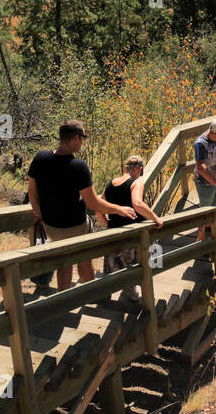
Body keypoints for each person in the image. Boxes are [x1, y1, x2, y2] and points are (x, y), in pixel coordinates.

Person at [27, 120, 137, 291]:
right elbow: (93, 203)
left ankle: (64, 298)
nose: (83, 142)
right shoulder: (78, 167)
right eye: (83, 138)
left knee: (64, 262)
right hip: (75, 226)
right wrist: (118, 209)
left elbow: (32, 191)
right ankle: (91, 293)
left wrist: (39, 213)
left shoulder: (41, 158)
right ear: (76, 138)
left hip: (51, 227)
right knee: (84, 259)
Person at [99, 155, 163, 297]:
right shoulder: (136, 183)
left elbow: (99, 209)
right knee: (140, 263)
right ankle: (134, 291)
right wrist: (155, 218)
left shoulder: (111, 183)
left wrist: (108, 224)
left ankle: (123, 289)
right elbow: (137, 203)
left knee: (118, 263)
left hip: (114, 233)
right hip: (133, 233)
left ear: (125, 168)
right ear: (140, 170)